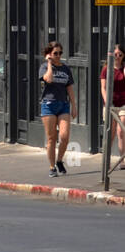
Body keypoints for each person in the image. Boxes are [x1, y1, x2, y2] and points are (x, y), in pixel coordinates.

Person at [39, 42, 76, 178]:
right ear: (49, 54)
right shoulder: (44, 67)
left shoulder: (66, 68)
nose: (58, 56)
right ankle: (52, 166)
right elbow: (48, 79)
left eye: (60, 53)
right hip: (48, 105)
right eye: (55, 53)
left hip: (63, 105)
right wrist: (49, 63)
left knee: (64, 136)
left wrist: (74, 105)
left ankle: (59, 160)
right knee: (51, 138)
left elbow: (69, 87)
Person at [101, 43, 125, 165]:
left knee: (121, 131)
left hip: (123, 104)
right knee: (111, 132)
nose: (117, 56)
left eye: (120, 54)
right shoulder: (106, 69)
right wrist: (107, 100)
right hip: (111, 104)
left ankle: (122, 160)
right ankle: (107, 159)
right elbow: (103, 87)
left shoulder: (124, 68)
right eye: (115, 54)